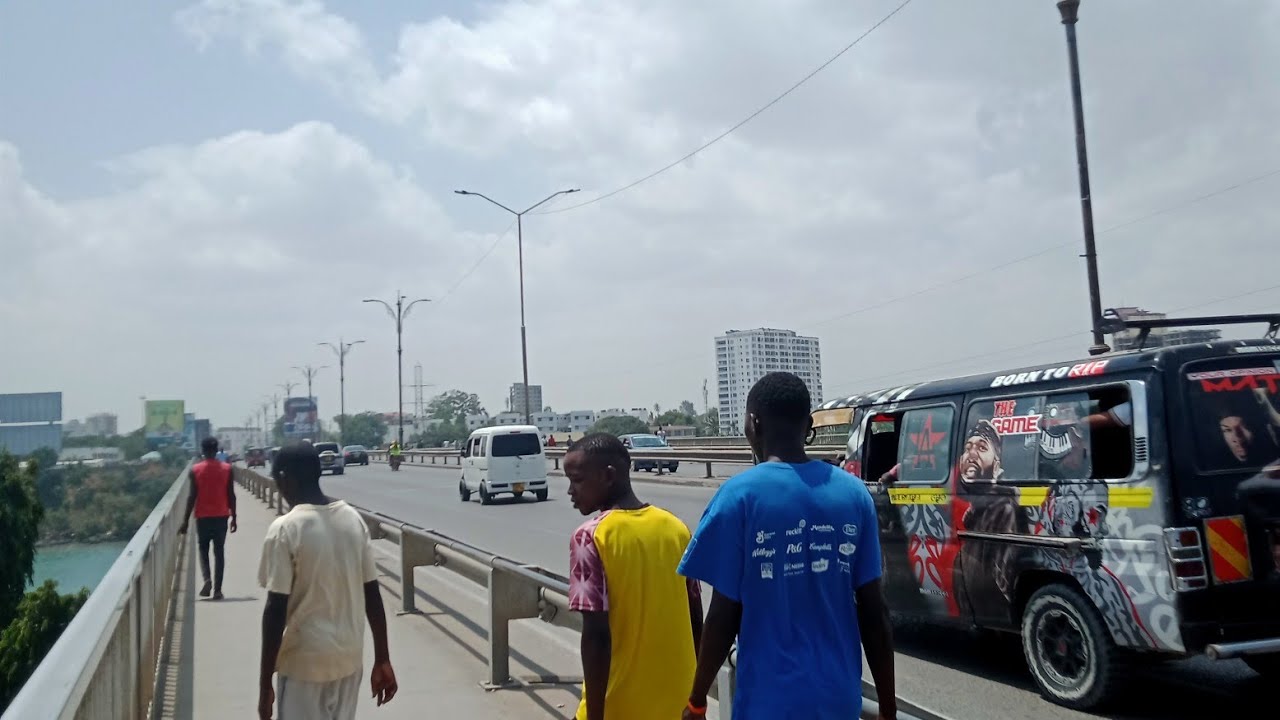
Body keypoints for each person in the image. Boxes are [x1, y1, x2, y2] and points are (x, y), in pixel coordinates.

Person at [677, 372, 896, 720]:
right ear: (808, 426)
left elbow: (723, 614)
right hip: (838, 700)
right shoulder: (854, 495)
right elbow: (874, 611)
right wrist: (887, 708)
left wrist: (697, 699)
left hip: (767, 703)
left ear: (753, 424)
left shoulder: (738, 497)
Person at [565, 433, 703, 720]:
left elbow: (596, 637)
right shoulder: (677, 528)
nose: (570, 491)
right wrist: (696, 700)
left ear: (608, 476)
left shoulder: (590, 537)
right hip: (677, 705)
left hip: (619, 707)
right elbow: (695, 619)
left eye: (577, 480)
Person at [257, 441, 398, 720]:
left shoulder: (285, 529)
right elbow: (372, 594)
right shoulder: (352, 520)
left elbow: (275, 609)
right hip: (348, 662)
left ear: (284, 478)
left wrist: (264, 686)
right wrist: (382, 658)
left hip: (303, 666)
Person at [179, 437, 237, 600]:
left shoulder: (195, 470)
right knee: (219, 552)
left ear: (202, 451)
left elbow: (192, 497)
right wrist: (234, 517)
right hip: (221, 516)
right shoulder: (227, 469)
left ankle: (207, 579)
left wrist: (185, 521)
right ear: (217, 450)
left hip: (202, 517)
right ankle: (218, 590)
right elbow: (231, 495)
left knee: (203, 549)